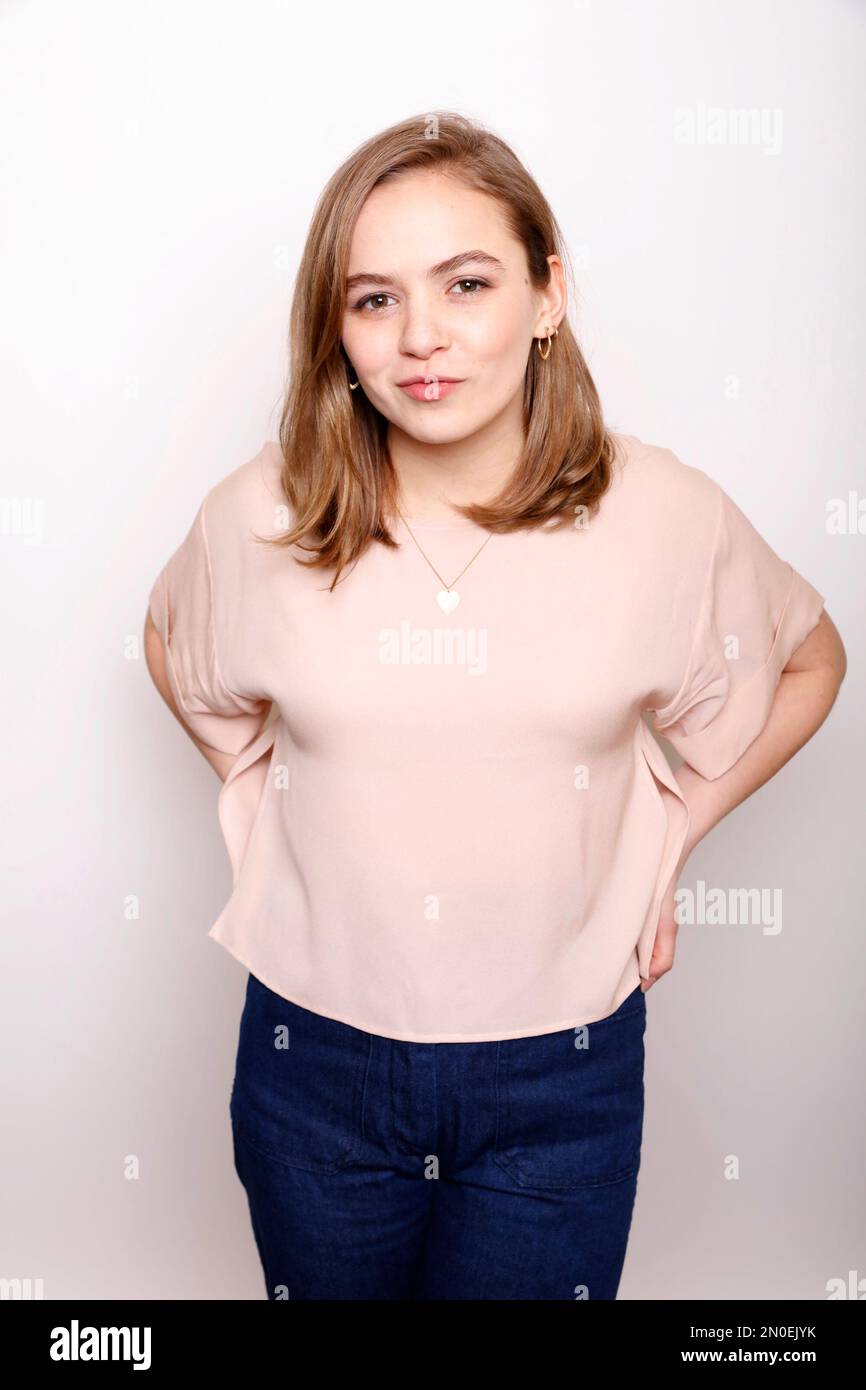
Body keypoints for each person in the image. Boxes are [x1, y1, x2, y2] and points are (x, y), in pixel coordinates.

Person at [144, 112, 846, 1301]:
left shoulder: (659, 513)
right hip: (313, 1062)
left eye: (465, 284)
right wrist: (274, 798)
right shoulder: (267, 511)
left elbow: (807, 660)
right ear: (335, 328)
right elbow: (171, 643)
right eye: (373, 299)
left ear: (546, 294)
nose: (420, 336)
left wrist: (671, 834)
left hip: (557, 1076)